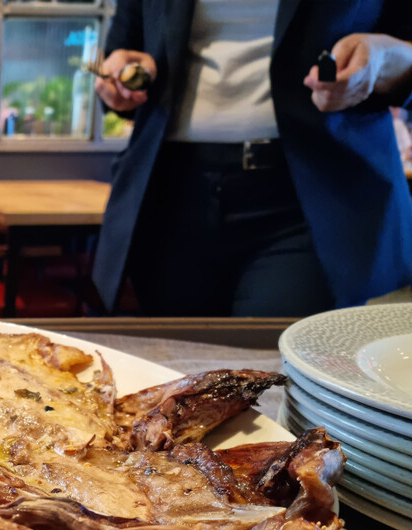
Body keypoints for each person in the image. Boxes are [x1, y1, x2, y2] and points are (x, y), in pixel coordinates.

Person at [91, 1, 412, 317]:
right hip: (170, 193)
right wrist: (119, 75)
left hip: (311, 198)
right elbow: (124, 50)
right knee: (175, 361)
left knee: (276, 357)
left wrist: (383, 58)